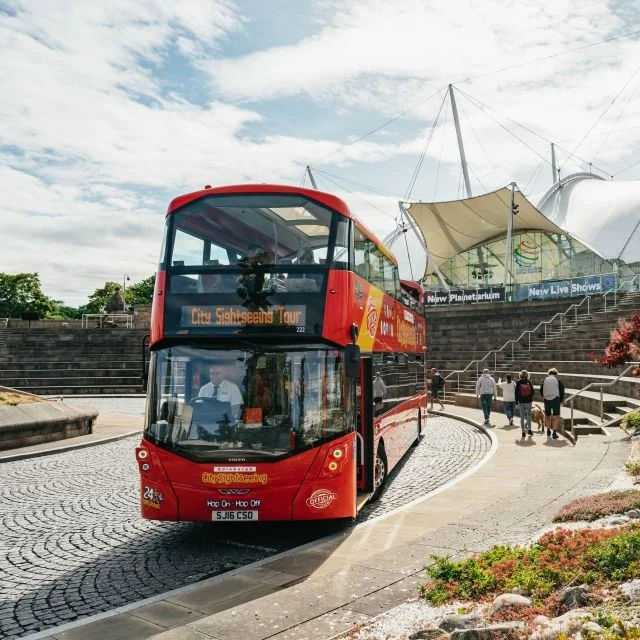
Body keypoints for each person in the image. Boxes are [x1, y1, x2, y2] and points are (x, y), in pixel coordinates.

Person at [540, 367, 565, 439]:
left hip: (546, 399)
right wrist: (561, 400)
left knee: (547, 415)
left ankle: (548, 430)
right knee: (556, 416)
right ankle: (554, 432)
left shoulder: (545, 380)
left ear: (548, 374)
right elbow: (562, 390)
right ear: (556, 374)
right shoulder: (557, 380)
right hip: (555, 399)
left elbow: (541, 389)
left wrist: (544, 396)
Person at [515, 370, 535, 438]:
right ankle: (529, 429)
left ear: (520, 375)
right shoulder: (528, 382)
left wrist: (516, 402)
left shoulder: (518, 382)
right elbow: (532, 391)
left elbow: (516, 393)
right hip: (528, 401)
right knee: (529, 416)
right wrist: (529, 397)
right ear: (527, 375)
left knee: (522, 417)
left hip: (521, 401)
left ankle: (523, 432)